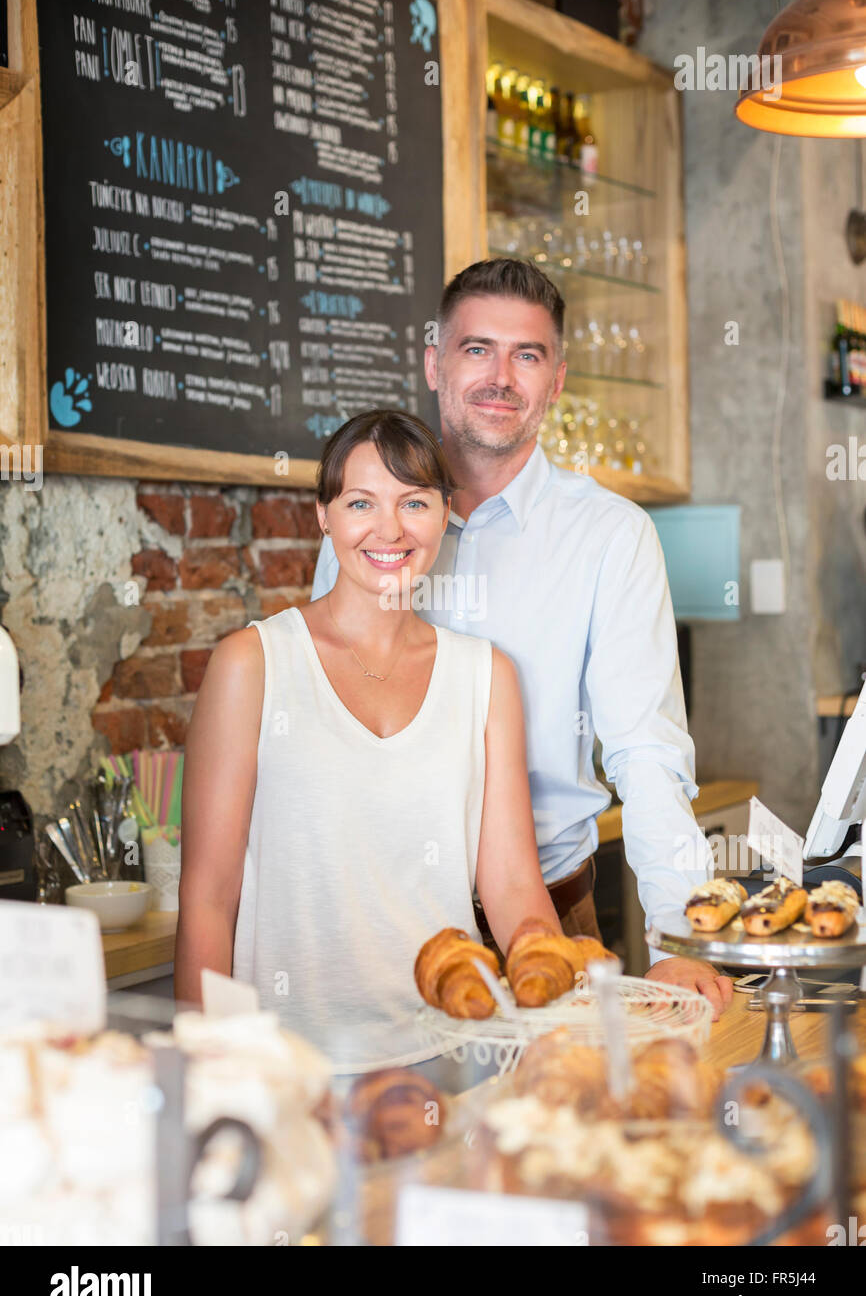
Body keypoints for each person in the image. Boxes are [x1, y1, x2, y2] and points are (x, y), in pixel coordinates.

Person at [312, 258, 733, 1019]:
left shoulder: (612, 536)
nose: (500, 376)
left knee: (552, 1134)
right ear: (435, 364)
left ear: (556, 380)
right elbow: (325, 727)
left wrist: (675, 941)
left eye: (527, 355)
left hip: (551, 923)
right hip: (382, 921)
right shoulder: (371, 527)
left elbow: (648, 753)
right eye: (477, 349)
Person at [175, 408, 562, 1075]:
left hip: (455, 1052)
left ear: (447, 514)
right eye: (361, 502)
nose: (389, 529)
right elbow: (208, 897)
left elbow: (513, 885)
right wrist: (208, 1074)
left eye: (414, 502)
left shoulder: (486, 676)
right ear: (324, 515)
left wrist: (560, 1028)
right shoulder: (253, 663)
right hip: (289, 1067)